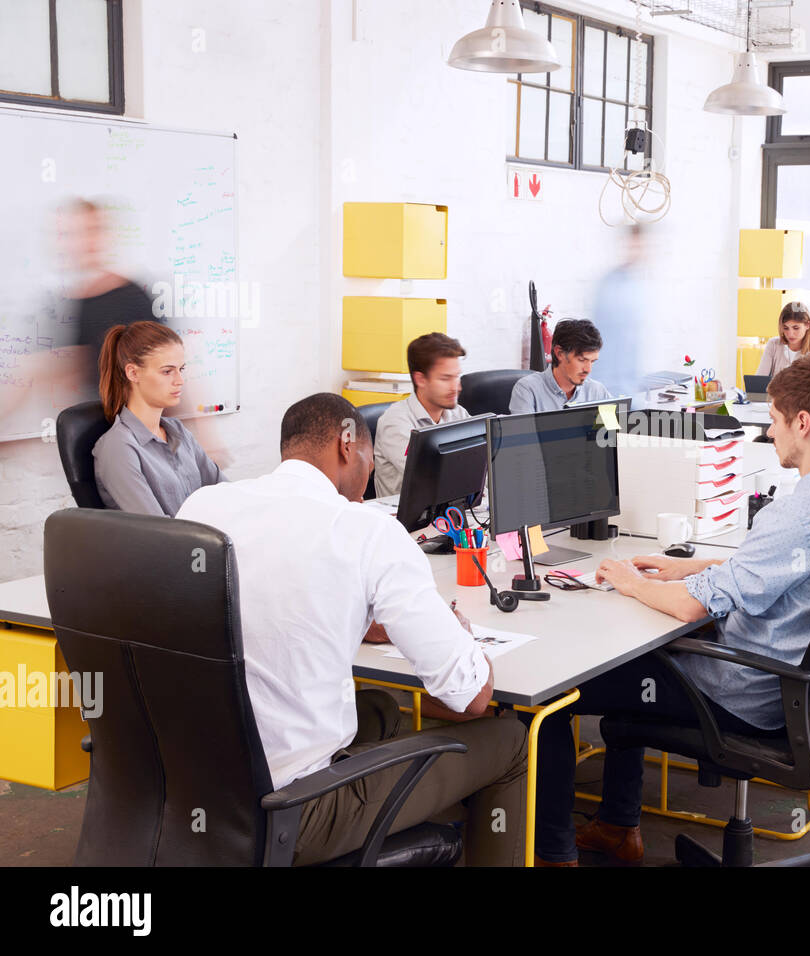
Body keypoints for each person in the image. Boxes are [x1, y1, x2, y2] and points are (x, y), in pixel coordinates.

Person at [531, 351, 810, 865]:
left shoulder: (797, 514)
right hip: (804, 691)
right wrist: (692, 567)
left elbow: (691, 611)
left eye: (775, 421)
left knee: (551, 694)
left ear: (804, 422)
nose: (770, 433)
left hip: (742, 693)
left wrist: (626, 579)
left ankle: (556, 855)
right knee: (634, 668)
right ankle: (619, 827)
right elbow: (781, 569)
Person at [177, 393, 527, 866]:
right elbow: (470, 696)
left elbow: (264, 596)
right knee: (509, 740)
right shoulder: (367, 530)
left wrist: (360, 620)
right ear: (347, 444)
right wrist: (460, 636)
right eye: (368, 454)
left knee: (380, 708)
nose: (368, 475)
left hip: (189, 790)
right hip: (290, 814)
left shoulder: (204, 506)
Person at [92, 321, 224, 516]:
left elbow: (222, 491)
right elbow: (159, 532)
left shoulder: (177, 431)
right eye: (167, 371)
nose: (180, 380)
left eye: (181, 369)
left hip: (208, 540)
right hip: (183, 545)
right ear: (133, 373)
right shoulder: (118, 448)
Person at [61, 198, 156, 390]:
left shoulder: (131, 296)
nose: (84, 242)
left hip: (127, 415)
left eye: (92, 231)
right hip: (93, 413)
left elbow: (164, 365)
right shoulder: (73, 302)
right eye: (74, 234)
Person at [373, 332, 471, 498]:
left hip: (450, 511)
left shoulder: (457, 413)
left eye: (457, 377)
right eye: (446, 378)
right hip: (408, 522)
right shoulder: (395, 422)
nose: (456, 387)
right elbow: (431, 475)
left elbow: (481, 465)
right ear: (420, 379)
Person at [590, 224, 650, 398]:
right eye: (634, 246)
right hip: (610, 389)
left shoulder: (639, 285)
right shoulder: (610, 286)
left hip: (633, 390)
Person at [509, 318, 612, 414]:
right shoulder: (527, 390)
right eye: (582, 360)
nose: (588, 369)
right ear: (559, 353)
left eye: (592, 361)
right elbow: (525, 433)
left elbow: (614, 431)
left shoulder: (597, 391)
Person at [755, 302, 810, 377]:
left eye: (796, 328)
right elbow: (760, 379)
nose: (790, 334)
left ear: (807, 325)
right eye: (786, 328)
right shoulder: (773, 344)